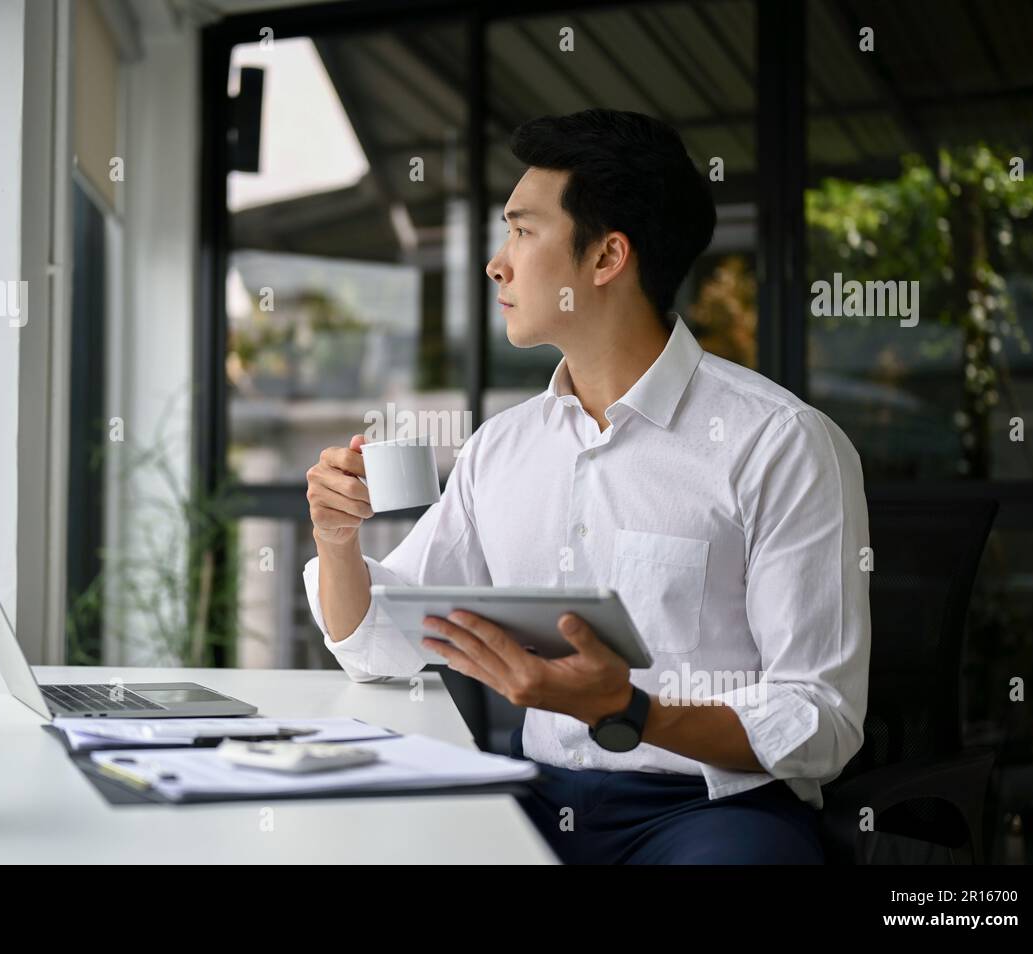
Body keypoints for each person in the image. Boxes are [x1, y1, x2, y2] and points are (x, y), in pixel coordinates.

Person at [303, 109, 869, 864]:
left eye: (523, 231)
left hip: (712, 808)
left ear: (606, 258)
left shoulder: (781, 443)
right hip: (539, 790)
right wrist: (338, 540)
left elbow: (820, 718)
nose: (495, 264)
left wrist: (630, 710)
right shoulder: (500, 448)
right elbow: (382, 646)